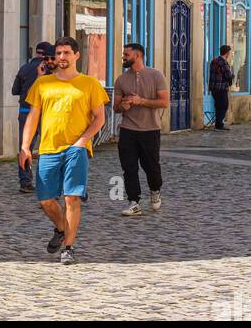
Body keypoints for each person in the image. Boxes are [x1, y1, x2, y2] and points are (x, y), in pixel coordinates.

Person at [20, 35, 108, 265]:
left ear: (77, 55)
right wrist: (25, 146)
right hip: (48, 147)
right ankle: (61, 228)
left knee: (72, 198)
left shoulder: (89, 84)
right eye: (58, 54)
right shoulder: (42, 83)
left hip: (76, 148)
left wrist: (83, 140)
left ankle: (68, 247)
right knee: (46, 200)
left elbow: (100, 118)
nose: (61, 57)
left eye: (66, 53)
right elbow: (33, 116)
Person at [113, 42, 168, 216]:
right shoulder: (121, 79)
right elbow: (115, 108)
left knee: (151, 167)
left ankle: (155, 190)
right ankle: (134, 201)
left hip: (150, 129)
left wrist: (141, 101)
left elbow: (164, 103)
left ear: (137, 55)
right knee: (129, 167)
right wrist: (124, 106)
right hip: (128, 129)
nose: (123, 57)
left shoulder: (156, 75)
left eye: (126, 55)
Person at [11, 41, 55, 193]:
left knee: (25, 147)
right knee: (49, 148)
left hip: (24, 112)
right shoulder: (50, 71)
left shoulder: (24, 68)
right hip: (45, 113)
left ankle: (25, 182)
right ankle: (46, 181)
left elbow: (15, 90)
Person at [208, 45, 234, 129]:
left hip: (213, 88)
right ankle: (219, 124)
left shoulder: (214, 61)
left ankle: (218, 124)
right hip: (221, 88)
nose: (229, 54)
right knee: (224, 105)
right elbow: (228, 75)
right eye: (229, 53)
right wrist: (232, 75)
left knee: (218, 106)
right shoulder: (223, 62)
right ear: (227, 53)